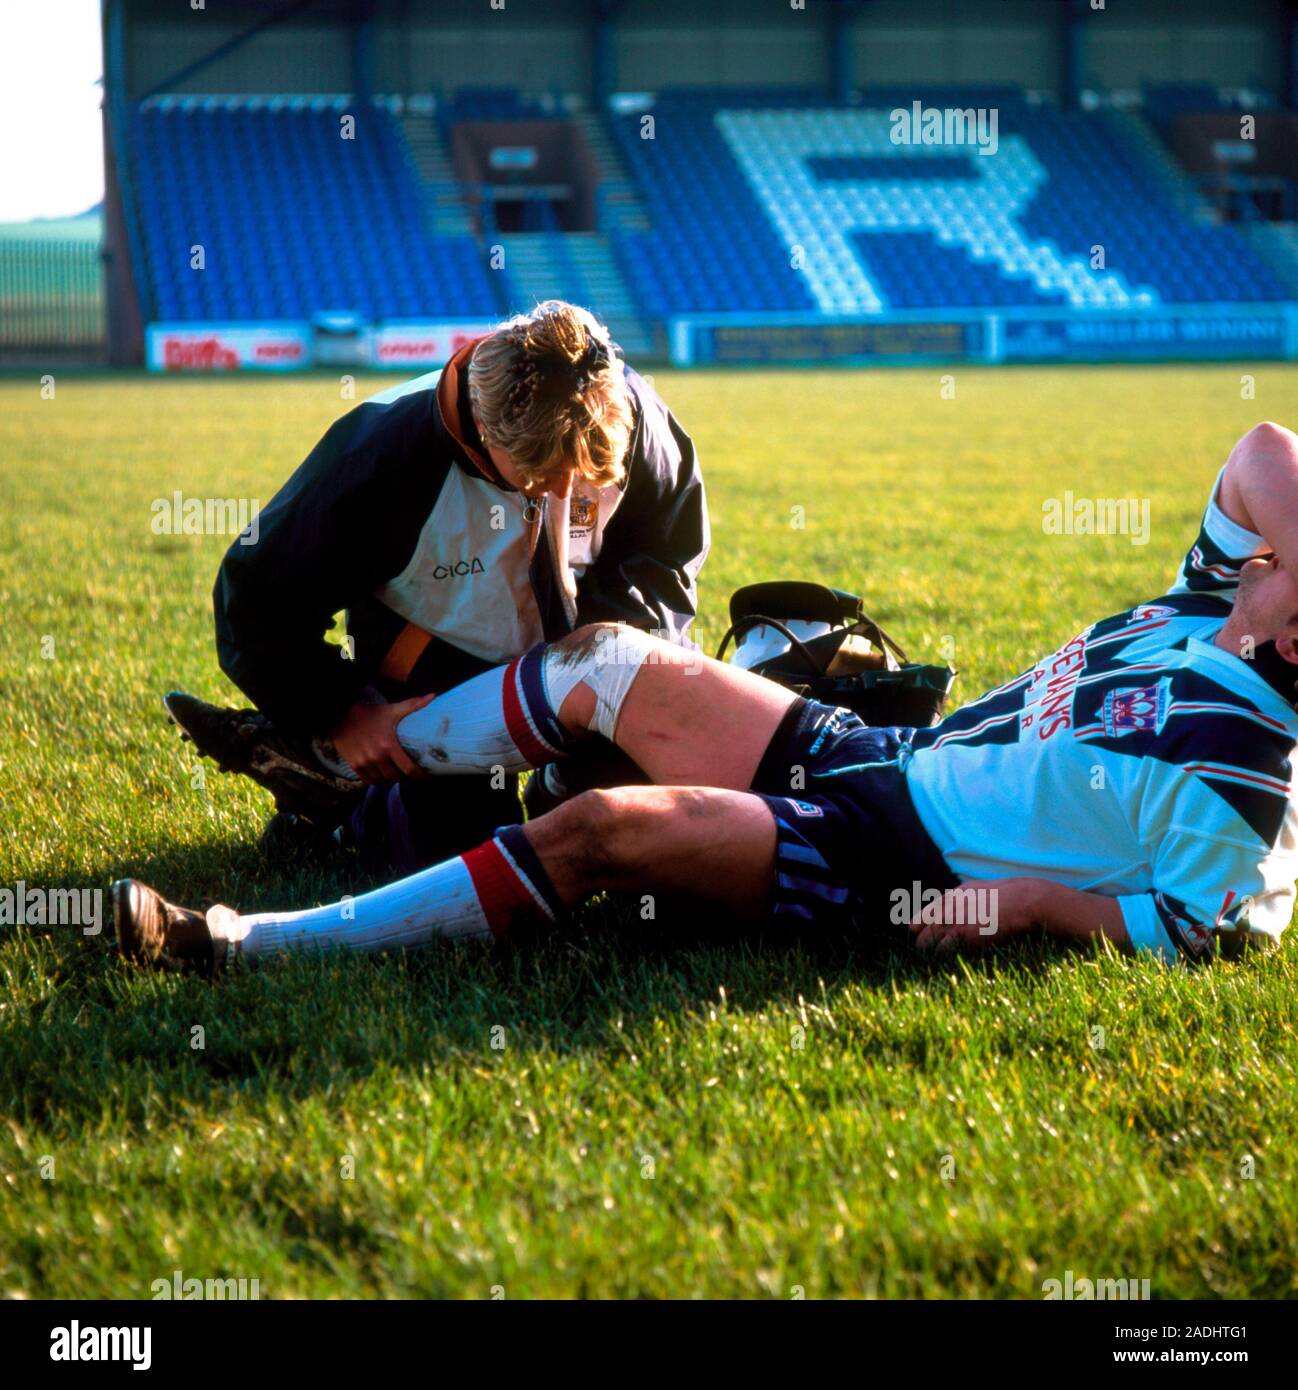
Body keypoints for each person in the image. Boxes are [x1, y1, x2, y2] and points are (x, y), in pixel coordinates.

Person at [116, 422, 1298, 973]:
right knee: (601, 660)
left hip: (894, 859)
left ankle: (238, 944)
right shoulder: (1213, 598)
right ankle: (332, 768)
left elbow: (1209, 930)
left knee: (597, 828)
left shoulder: (1245, 765)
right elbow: (1263, 451)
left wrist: (1030, 902)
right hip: (882, 753)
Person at [164, 300, 708, 877]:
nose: (566, 490)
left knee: (640, 825)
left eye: (585, 470)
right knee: (466, 864)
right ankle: (344, 798)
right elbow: (255, 600)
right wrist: (343, 714)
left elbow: (664, 554)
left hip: (591, 648)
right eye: (541, 473)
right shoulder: (382, 454)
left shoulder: (635, 416)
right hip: (435, 673)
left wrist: (612, 656)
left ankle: (563, 779)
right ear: (485, 432)